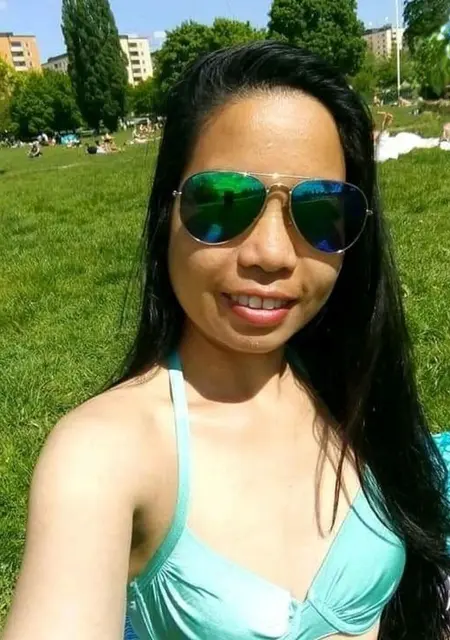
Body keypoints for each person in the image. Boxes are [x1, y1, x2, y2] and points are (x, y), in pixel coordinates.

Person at [3, 41, 450, 640]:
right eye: (222, 203)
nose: (272, 254)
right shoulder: (105, 453)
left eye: (322, 212)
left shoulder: (353, 385)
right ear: (167, 213)